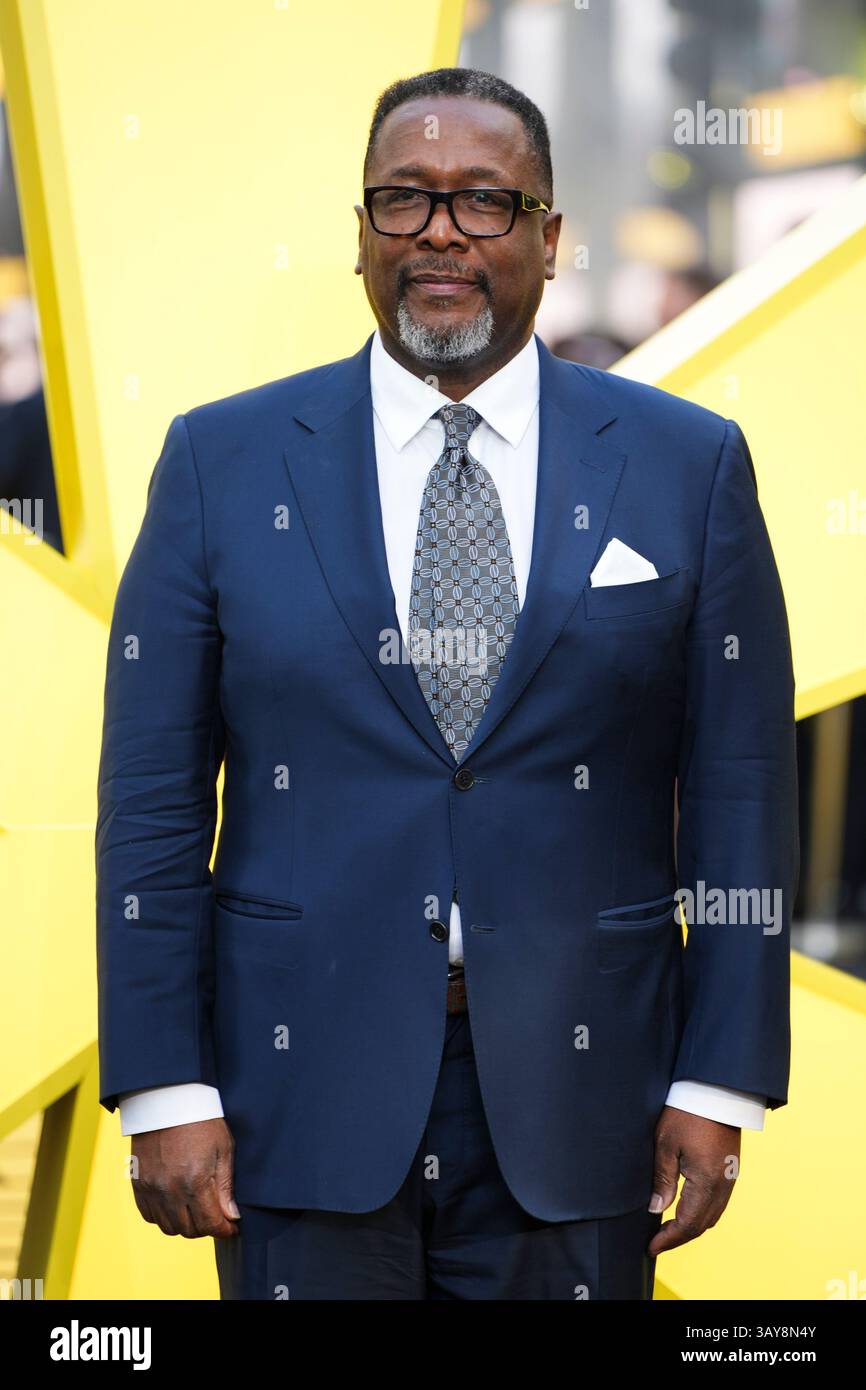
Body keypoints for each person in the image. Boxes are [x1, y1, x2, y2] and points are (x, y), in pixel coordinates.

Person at [95, 67, 799, 1301]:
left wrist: (716, 1075)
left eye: (483, 201)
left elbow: (739, 790)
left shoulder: (685, 466)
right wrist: (164, 1080)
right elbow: (152, 800)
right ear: (359, 233)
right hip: (291, 1097)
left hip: (589, 1101)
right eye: (401, 199)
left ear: (548, 235)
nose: (437, 231)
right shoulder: (222, 459)